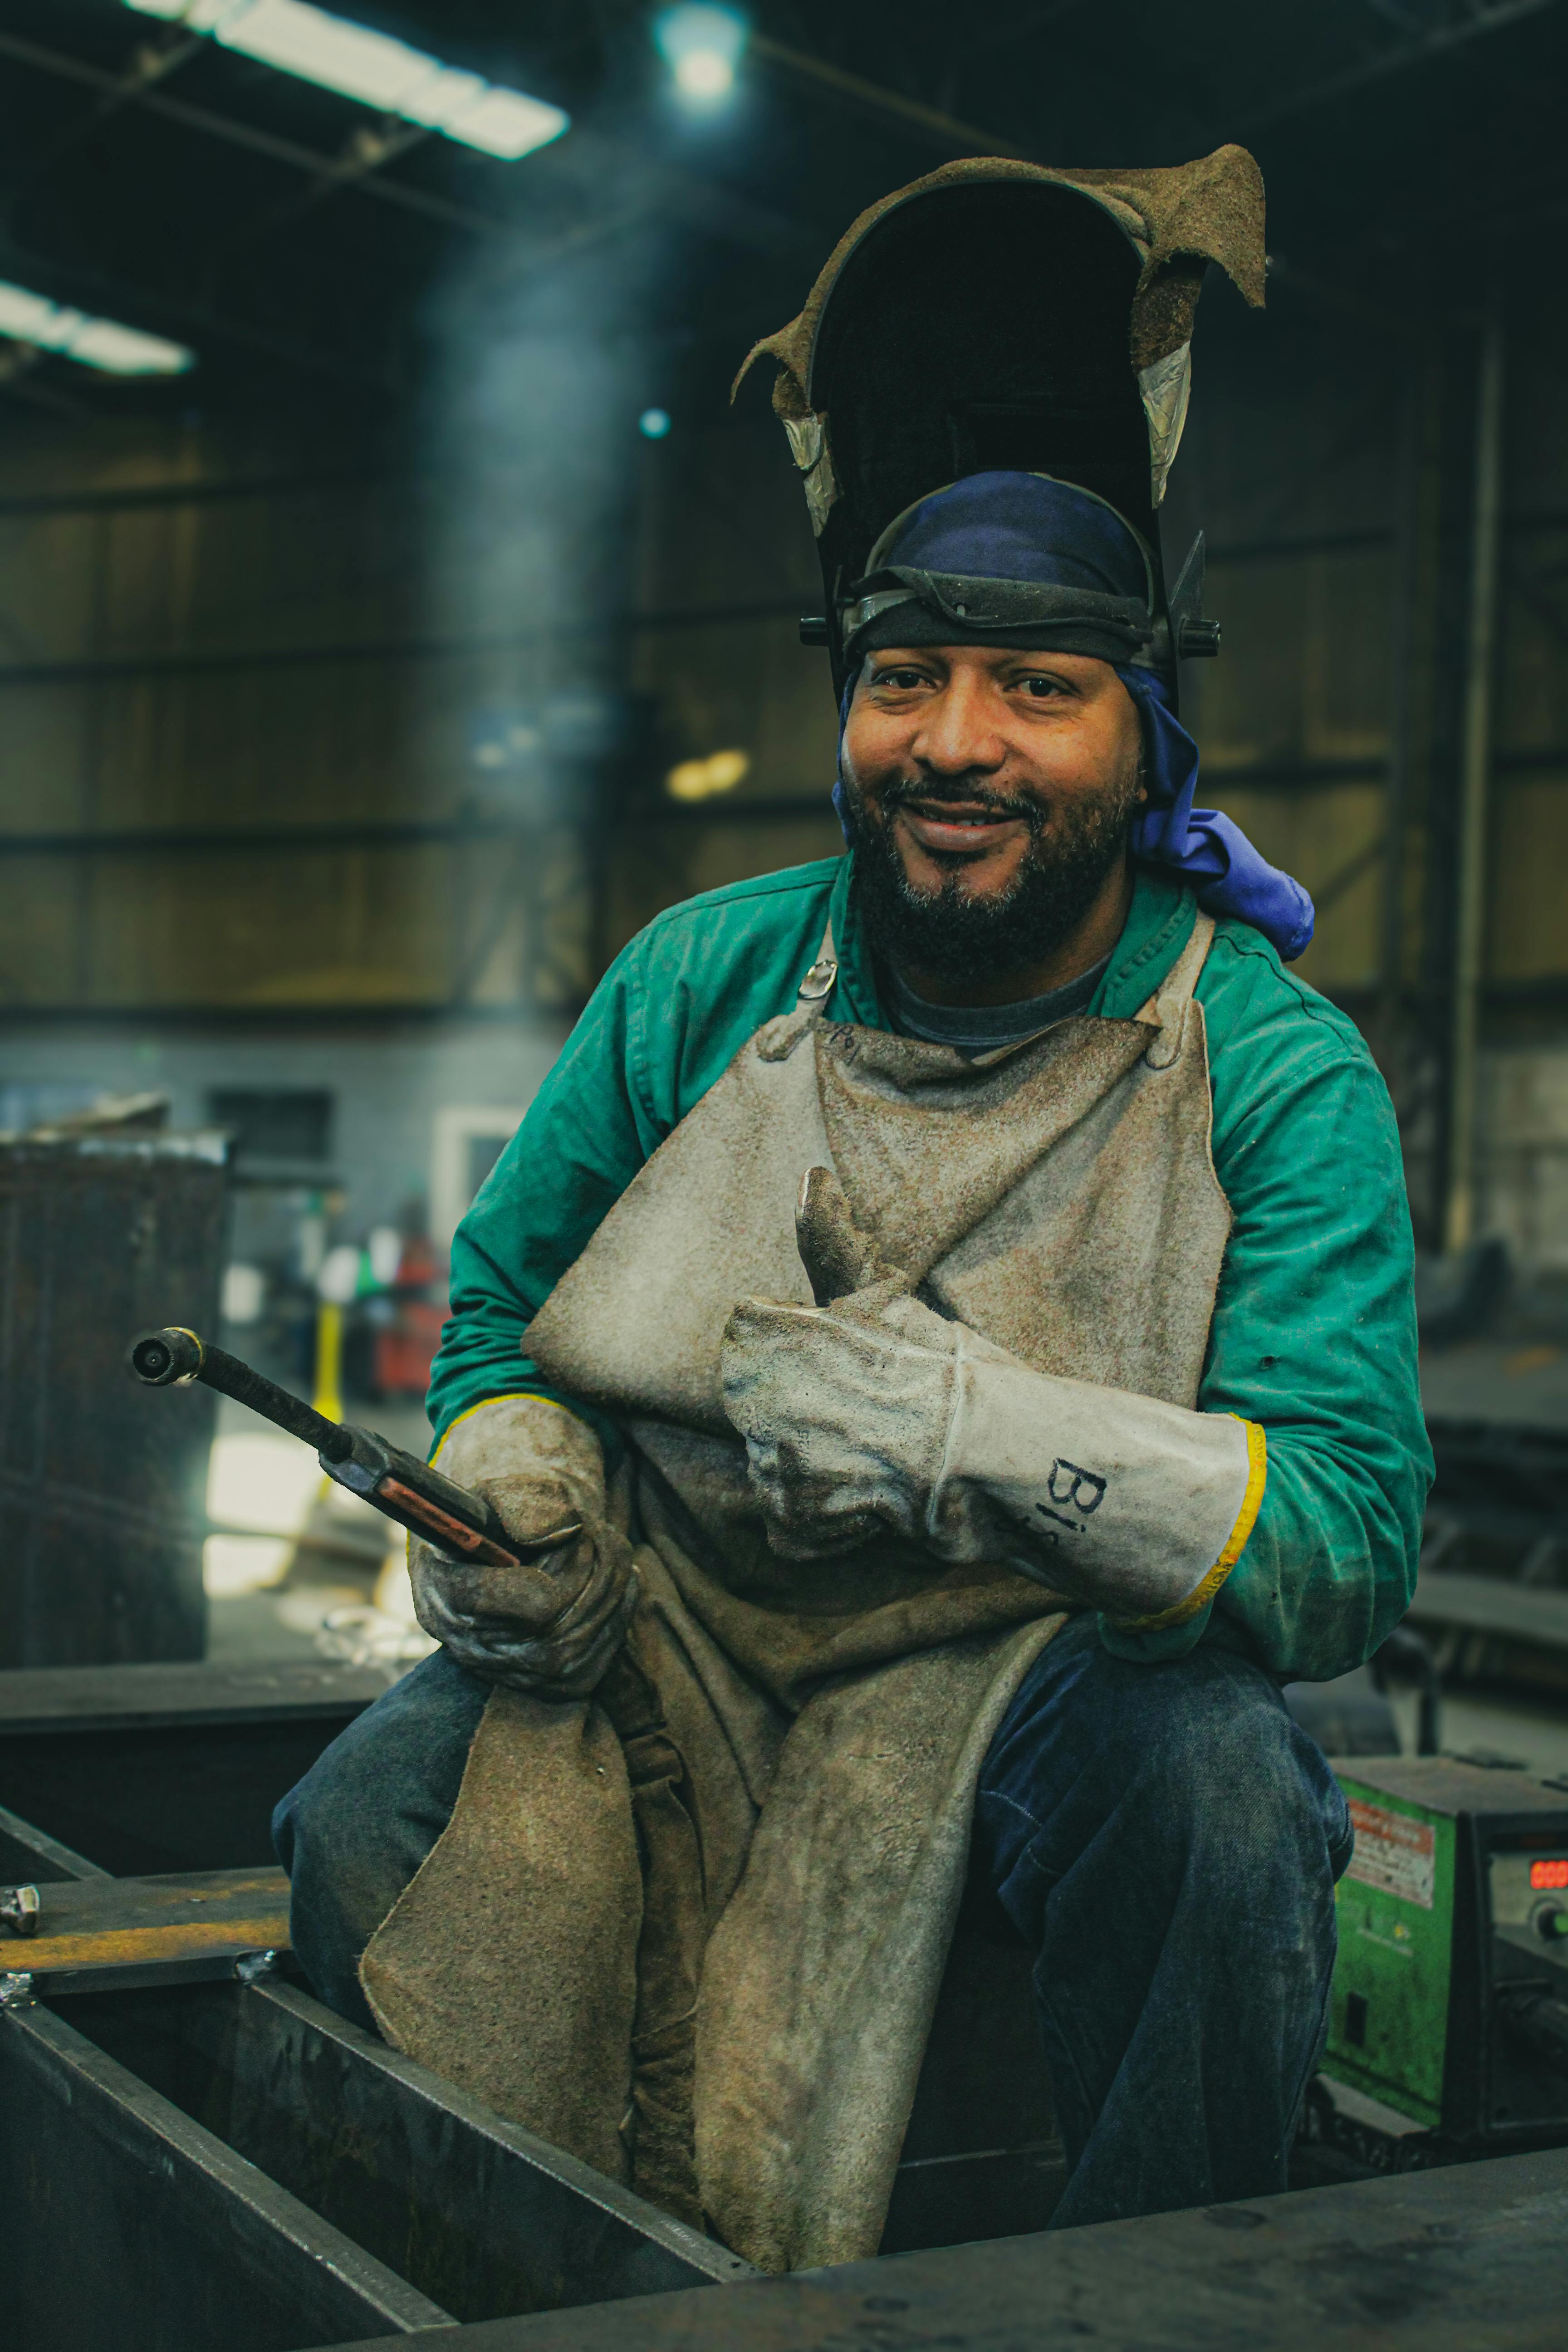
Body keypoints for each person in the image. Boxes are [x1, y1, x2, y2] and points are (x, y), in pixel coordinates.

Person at [274, 150, 1430, 2268]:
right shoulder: (702, 981)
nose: (953, 743)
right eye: (904, 680)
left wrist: (987, 1432)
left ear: (1144, 741)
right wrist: (518, 1491)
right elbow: (500, 1315)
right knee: (372, 1810)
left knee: (1222, 1790)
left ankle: (1165, 2301)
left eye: (1039, 690)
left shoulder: (1265, 1065)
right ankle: (514, 2291)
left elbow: (1346, 1540)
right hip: (673, 1648)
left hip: (1033, 1684)